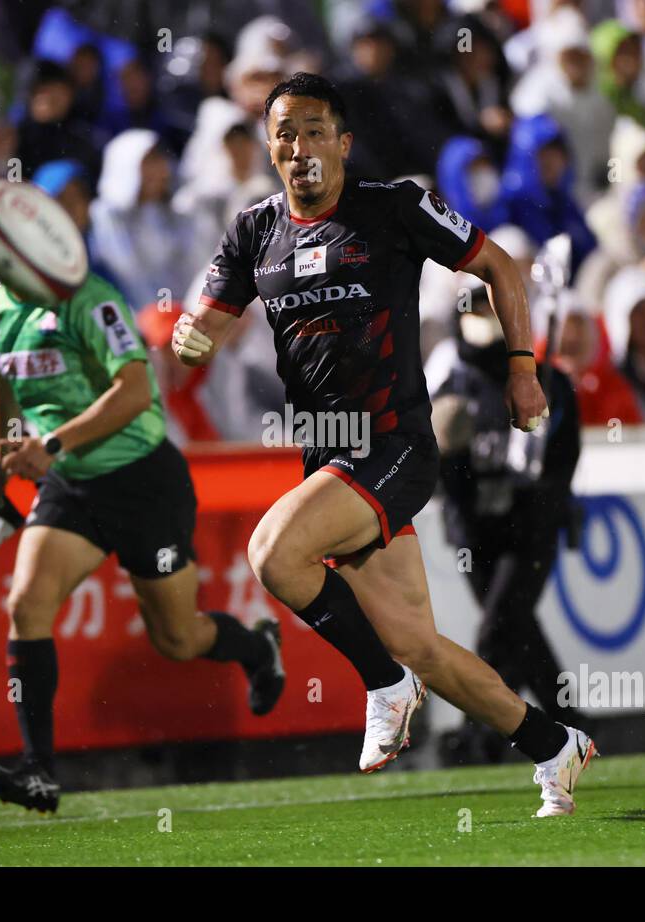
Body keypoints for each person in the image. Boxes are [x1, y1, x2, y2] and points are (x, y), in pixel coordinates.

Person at [174, 73, 597, 817]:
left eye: (313, 129)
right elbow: (202, 330)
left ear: (343, 141)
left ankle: (382, 685)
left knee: (273, 553)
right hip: (327, 458)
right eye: (284, 132)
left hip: (395, 445)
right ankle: (554, 746)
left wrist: (522, 368)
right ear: (269, 148)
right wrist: (188, 336)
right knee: (422, 646)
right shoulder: (252, 230)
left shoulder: (394, 207)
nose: (298, 145)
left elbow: (500, 267)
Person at [0, 194, 286, 814]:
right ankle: (39, 770)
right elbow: (0, 374)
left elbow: (136, 392)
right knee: (26, 604)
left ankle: (255, 647)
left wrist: (51, 442)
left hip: (143, 481)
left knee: (178, 637)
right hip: (71, 484)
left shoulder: (94, 302)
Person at [427, 276, 586, 764]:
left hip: (529, 531)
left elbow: (564, 456)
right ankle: (571, 724)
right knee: (519, 631)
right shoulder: (448, 385)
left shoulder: (545, 383)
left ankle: (479, 733)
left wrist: (535, 487)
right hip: (475, 534)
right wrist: (448, 454)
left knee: (499, 629)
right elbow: (432, 475)